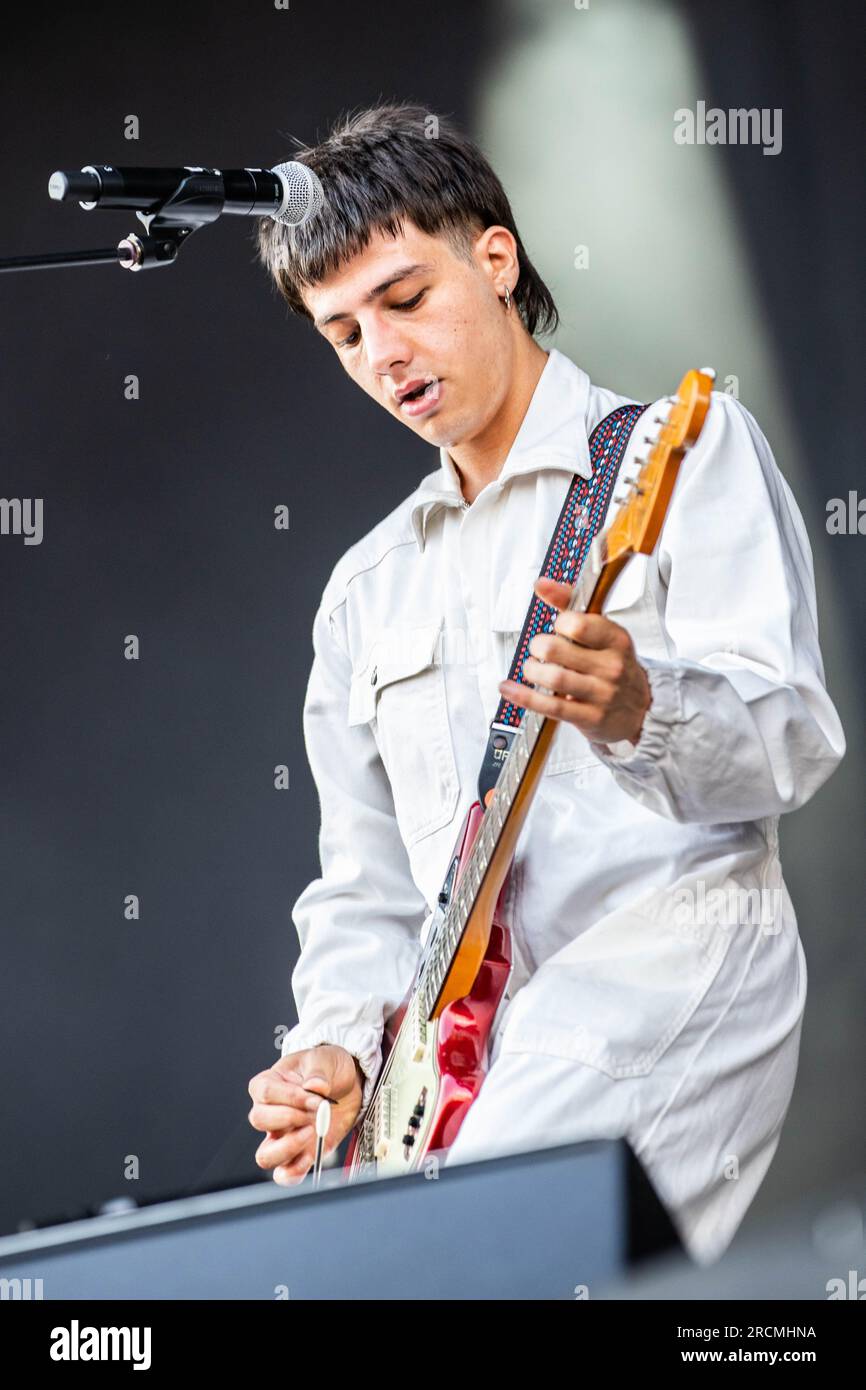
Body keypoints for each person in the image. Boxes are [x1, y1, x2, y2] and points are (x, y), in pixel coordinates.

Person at [246, 101, 845, 1264]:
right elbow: (363, 889)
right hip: (460, 1054)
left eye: (404, 300)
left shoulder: (681, 446)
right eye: (343, 333)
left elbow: (791, 742)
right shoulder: (363, 591)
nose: (383, 356)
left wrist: (641, 708)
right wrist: (334, 1048)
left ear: (496, 257)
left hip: (664, 960)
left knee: (463, 1264)